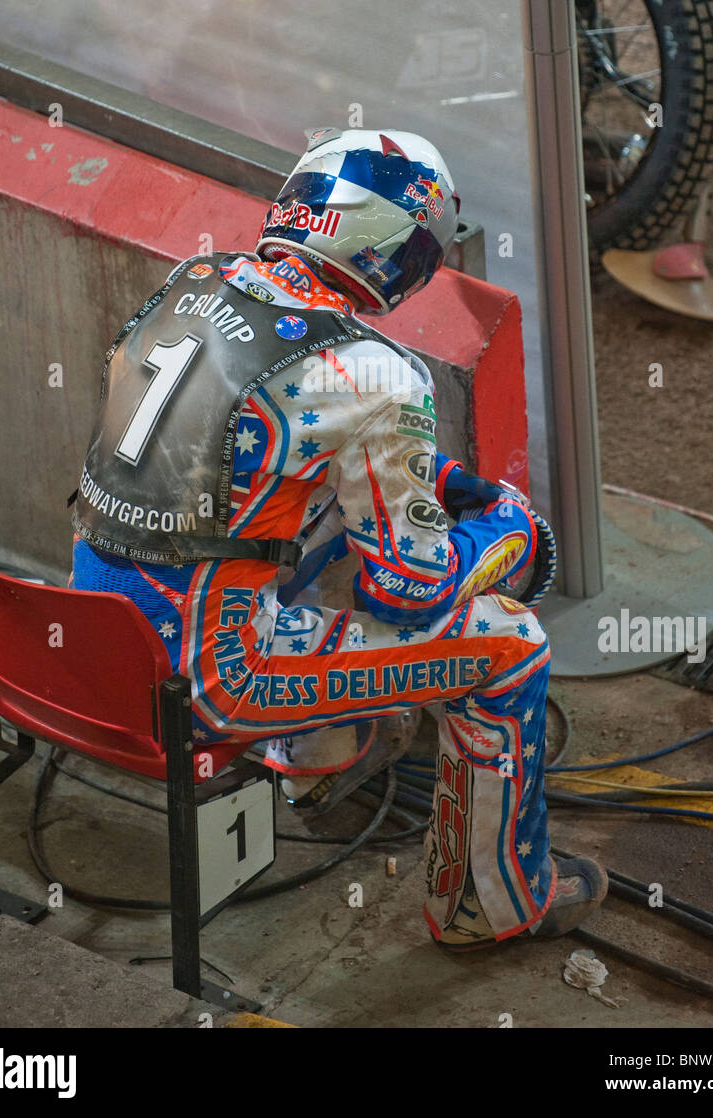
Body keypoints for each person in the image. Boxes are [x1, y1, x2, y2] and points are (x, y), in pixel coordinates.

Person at [70, 127, 607, 946]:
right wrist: (503, 527)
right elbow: (411, 587)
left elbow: (246, 461)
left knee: (294, 529)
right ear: (399, 251)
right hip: (207, 677)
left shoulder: (194, 279)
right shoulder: (373, 371)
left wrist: (406, 485)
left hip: (90, 624)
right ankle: (492, 904)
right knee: (508, 645)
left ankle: (313, 766)